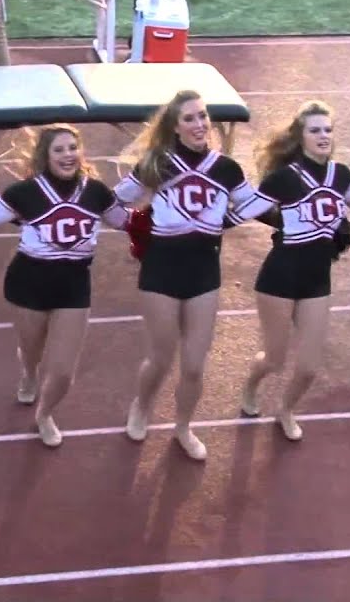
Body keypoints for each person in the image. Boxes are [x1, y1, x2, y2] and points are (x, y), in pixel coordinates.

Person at [224, 101, 350, 440]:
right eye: (315, 130)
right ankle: (250, 387)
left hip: (318, 280)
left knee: (309, 367)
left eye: (328, 130)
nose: (323, 136)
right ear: (300, 137)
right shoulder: (283, 179)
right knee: (274, 359)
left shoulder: (340, 174)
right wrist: (200, 226)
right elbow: (243, 212)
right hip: (279, 277)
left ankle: (286, 409)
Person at [113, 90, 267, 461]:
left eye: (202, 116)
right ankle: (142, 406)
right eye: (189, 119)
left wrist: (224, 223)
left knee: (195, 364)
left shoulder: (226, 168)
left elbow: (253, 204)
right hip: (161, 267)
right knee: (162, 356)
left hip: (203, 270)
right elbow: (116, 199)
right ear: (175, 127)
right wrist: (136, 226)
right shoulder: (156, 164)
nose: (199, 124)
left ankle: (183, 427)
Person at [0, 124, 129, 447]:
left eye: (72, 148)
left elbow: (127, 222)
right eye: (59, 150)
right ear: (45, 156)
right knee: (32, 351)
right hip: (28, 284)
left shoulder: (97, 192)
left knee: (62, 371)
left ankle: (45, 414)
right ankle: (30, 374)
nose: (67, 155)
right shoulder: (24, 193)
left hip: (74, 286)